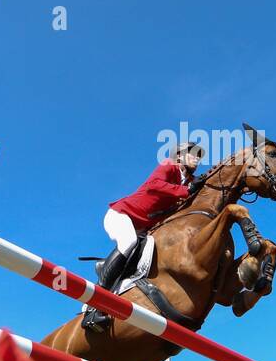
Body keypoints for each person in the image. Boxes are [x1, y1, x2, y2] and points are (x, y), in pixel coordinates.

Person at [83, 142, 205, 331]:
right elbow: (154, 185)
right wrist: (186, 191)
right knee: (129, 241)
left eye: (199, 156)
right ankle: (95, 302)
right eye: (193, 154)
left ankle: (109, 269)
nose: (197, 159)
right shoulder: (168, 165)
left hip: (143, 227)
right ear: (179, 156)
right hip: (122, 214)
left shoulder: (189, 181)